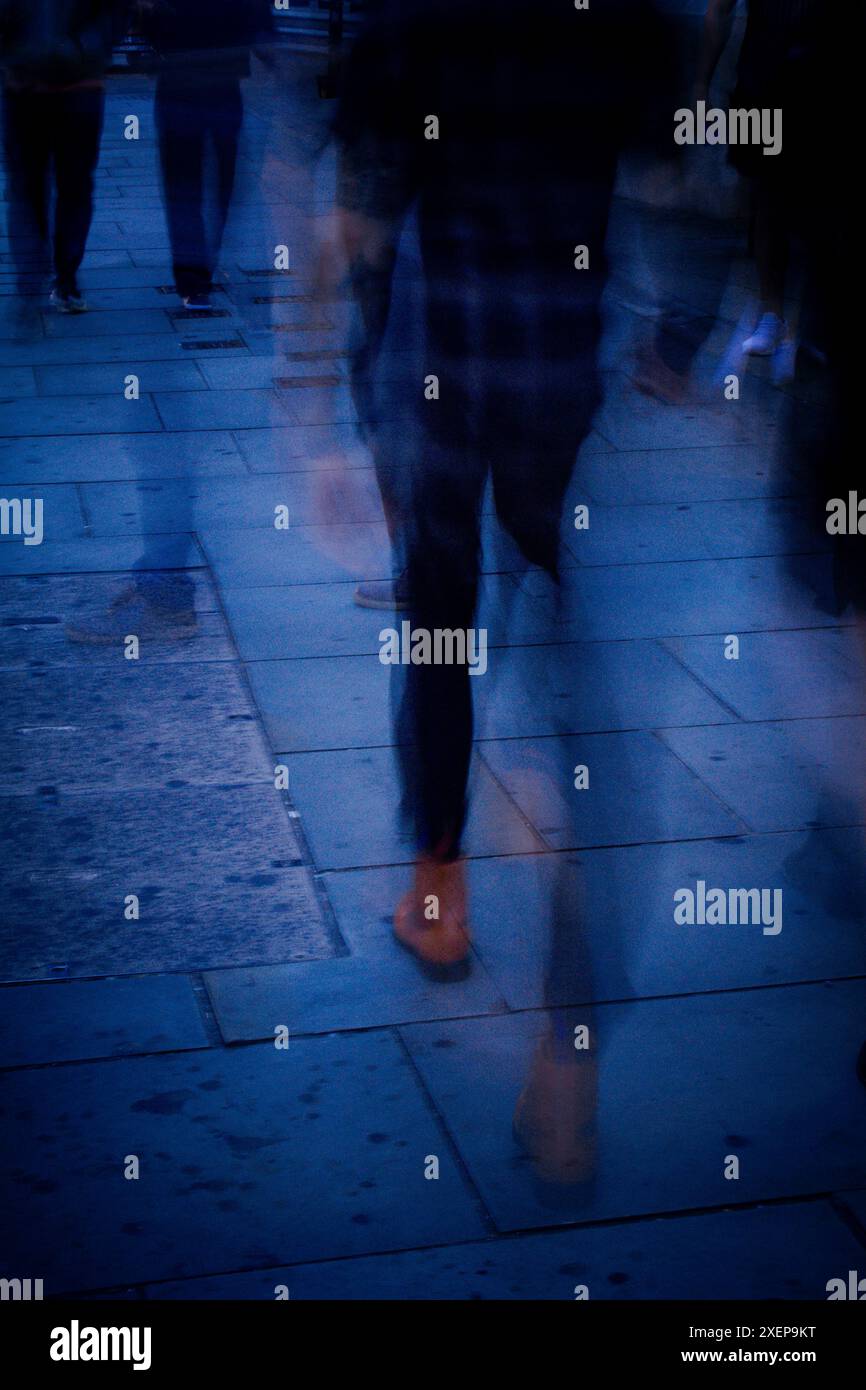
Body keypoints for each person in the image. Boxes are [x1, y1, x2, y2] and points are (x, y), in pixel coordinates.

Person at [332, 0, 672, 973]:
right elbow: (660, 164)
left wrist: (337, 398)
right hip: (559, 357)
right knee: (556, 596)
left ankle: (439, 888)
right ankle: (569, 853)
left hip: (438, 353)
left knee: (438, 617)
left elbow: (365, 213)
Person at [136, 0, 274, 311]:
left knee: (187, 187)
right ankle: (197, 274)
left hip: (184, 78)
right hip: (217, 79)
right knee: (214, 184)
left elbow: (147, 21)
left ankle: (195, 278)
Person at [0, 0, 125, 320]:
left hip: (67, 85)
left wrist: (75, 49)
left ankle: (56, 277)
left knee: (63, 187)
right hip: (34, 85)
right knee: (39, 188)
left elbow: (115, 13)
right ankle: (42, 277)